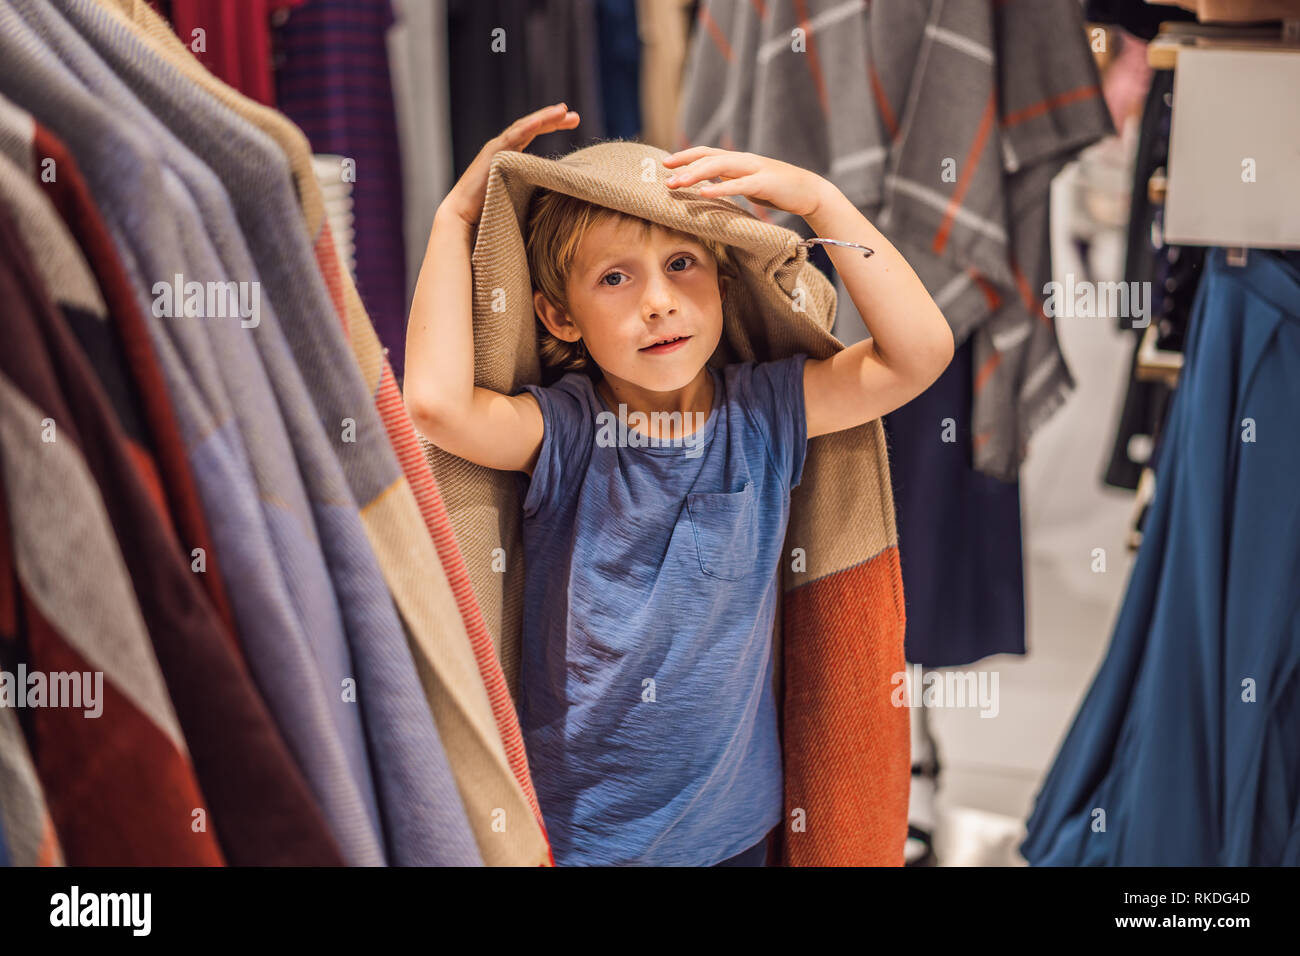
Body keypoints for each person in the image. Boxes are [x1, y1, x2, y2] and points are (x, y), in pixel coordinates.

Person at [404, 103, 954, 866]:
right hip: (583, 836)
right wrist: (453, 221)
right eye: (616, 278)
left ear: (724, 284)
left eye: (682, 265)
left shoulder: (766, 414)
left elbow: (919, 353)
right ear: (560, 317)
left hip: (734, 833)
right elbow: (433, 406)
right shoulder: (564, 433)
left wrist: (821, 201)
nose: (658, 300)